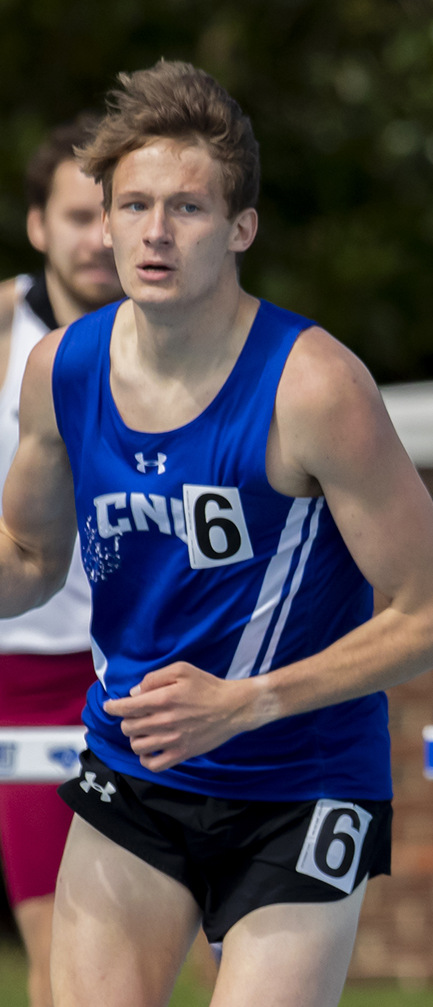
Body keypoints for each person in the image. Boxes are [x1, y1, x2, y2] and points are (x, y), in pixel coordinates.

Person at [0, 60, 433, 1007]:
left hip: (299, 781)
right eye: (130, 206)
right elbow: (25, 561)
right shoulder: (62, 371)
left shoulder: (313, 387)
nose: (153, 233)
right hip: (139, 766)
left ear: (242, 227)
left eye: (187, 208)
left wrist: (247, 701)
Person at [0, 114, 125, 1007]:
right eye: (77, 216)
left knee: (131, 970)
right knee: (63, 968)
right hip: (22, 674)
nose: (99, 238)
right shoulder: (2, 331)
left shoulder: (188, 338)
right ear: (39, 224)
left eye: (112, 214)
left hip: (136, 672)